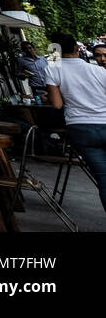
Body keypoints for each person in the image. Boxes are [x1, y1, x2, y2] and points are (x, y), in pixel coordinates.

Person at [45, 31, 106, 213]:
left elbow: (57, 105)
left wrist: (54, 51)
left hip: (80, 128)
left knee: (104, 179)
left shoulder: (52, 68)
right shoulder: (99, 70)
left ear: (55, 49)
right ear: (77, 48)